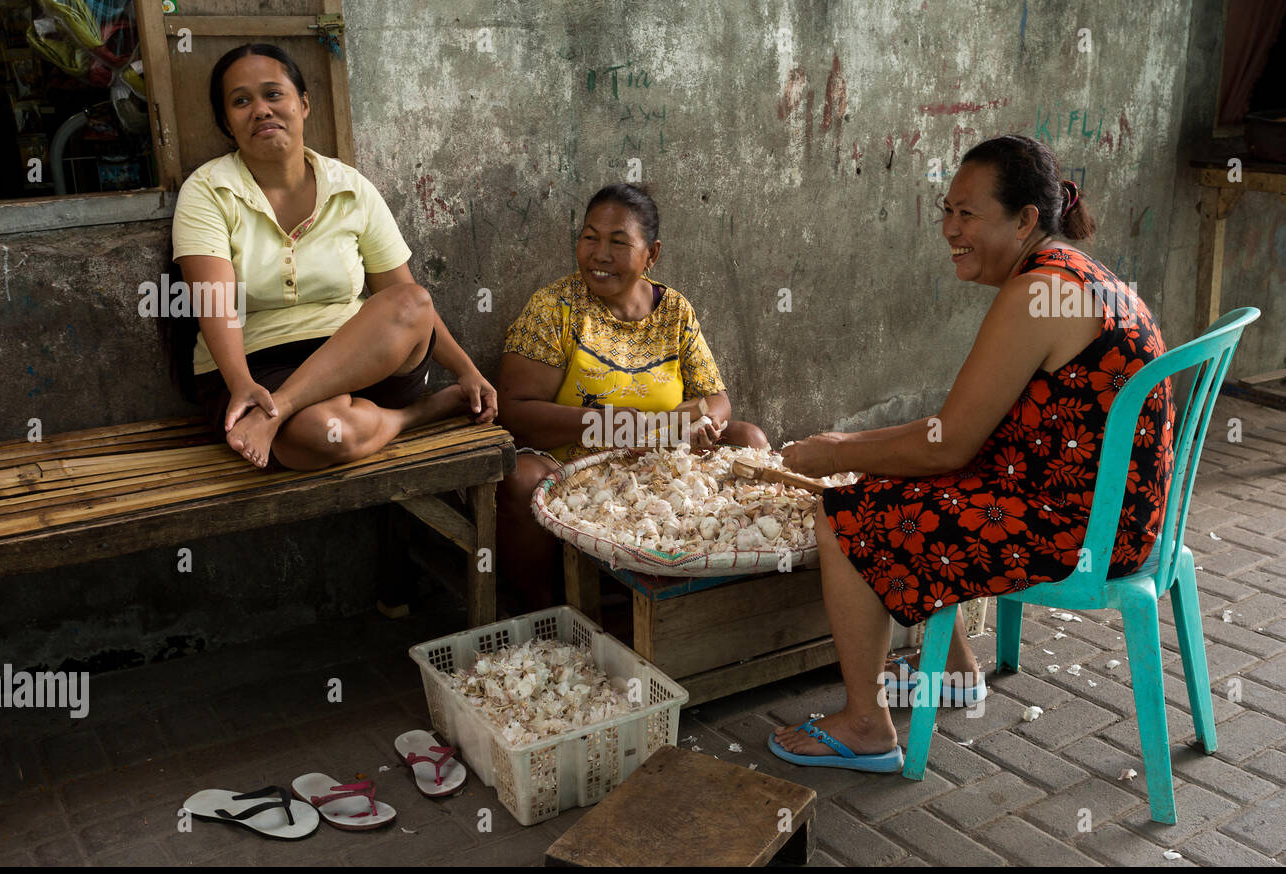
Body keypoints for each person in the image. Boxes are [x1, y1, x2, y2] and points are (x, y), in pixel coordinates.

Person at [770, 134, 1175, 770]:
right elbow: (967, 436)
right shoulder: (1078, 271)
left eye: (969, 215)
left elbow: (949, 444)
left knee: (846, 514)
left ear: (1025, 221)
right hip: (1128, 514)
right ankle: (955, 673)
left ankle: (865, 724)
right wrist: (868, 449)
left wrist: (837, 451)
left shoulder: (1035, 295)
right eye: (947, 210)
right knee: (914, 484)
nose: (951, 230)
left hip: (1085, 533)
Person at [170, 43, 496, 471]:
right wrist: (241, 386)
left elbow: (408, 304)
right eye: (241, 101)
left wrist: (467, 369)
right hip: (257, 367)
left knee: (412, 299)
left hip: (362, 361)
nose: (261, 110)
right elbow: (214, 303)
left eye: (273, 94)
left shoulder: (351, 186)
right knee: (328, 433)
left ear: (303, 104)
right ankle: (415, 415)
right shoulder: (209, 190)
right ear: (227, 123)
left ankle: (280, 411)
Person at [496, 184, 768, 608]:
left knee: (749, 438)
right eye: (590, 238)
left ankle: (732, 605)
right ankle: (541, 615)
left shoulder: (674, 310)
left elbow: (714, 397)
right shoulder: (555, 309)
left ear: (652, 254)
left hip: (663, 464)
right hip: (575, 465)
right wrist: (612, 425)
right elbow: (514, 412)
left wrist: (703, 422)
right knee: (519, 479)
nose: (599, 254)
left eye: (618, 243)